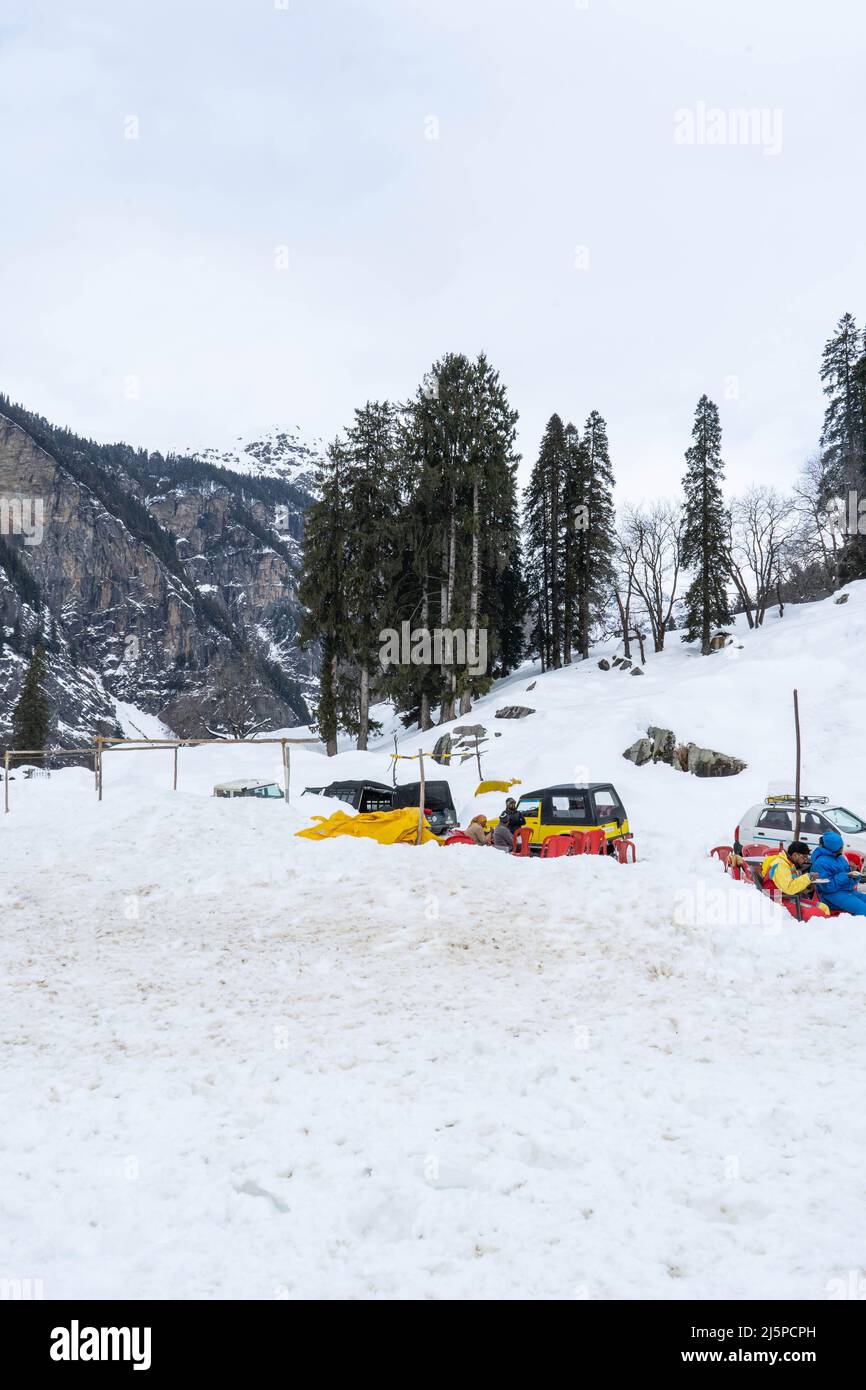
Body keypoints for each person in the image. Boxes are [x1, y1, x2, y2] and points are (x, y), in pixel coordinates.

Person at [760, 841, 830, 916]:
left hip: (787, 898)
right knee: (820, 913)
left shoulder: (789, 864)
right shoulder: (781, 865)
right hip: (777, 901)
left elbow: (793, 884)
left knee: (823, 907)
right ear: (795, 855)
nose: (805, 860)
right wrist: (808, 877)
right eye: (804, 857)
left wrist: (808, 887)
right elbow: (789, 888)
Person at [810, 831, 866, 917]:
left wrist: (854, 873)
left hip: (847, 890)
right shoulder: (820, 863)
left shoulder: (840, 858)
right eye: (841, 846)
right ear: (834, 847)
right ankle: (857, 928)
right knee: (863, 909)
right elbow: (827, 887)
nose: (843, 847)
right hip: (831, 895)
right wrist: (846, 875)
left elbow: (848, 880)